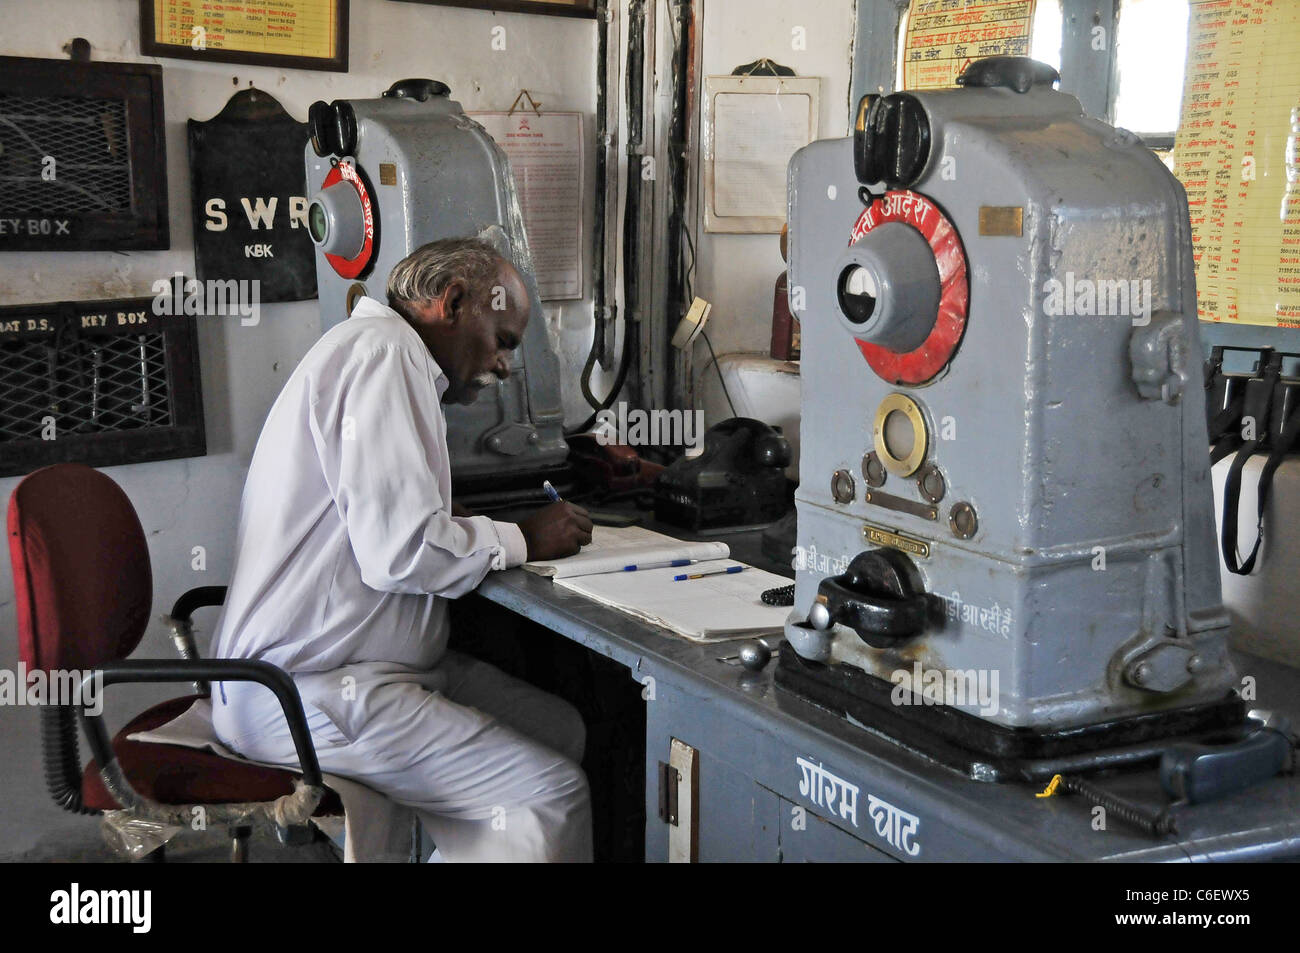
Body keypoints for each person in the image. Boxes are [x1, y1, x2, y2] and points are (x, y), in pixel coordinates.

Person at [210, 237, 595, 862]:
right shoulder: (385, 355)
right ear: (454, 302)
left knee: (559, 730)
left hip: (357, 671)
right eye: (503, 340)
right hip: (308, 690)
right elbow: (400, 552)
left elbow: (389, 521)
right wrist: (524, 537)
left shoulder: (379, 354)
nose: (503, 366)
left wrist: (468, 526)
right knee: (549, 793)